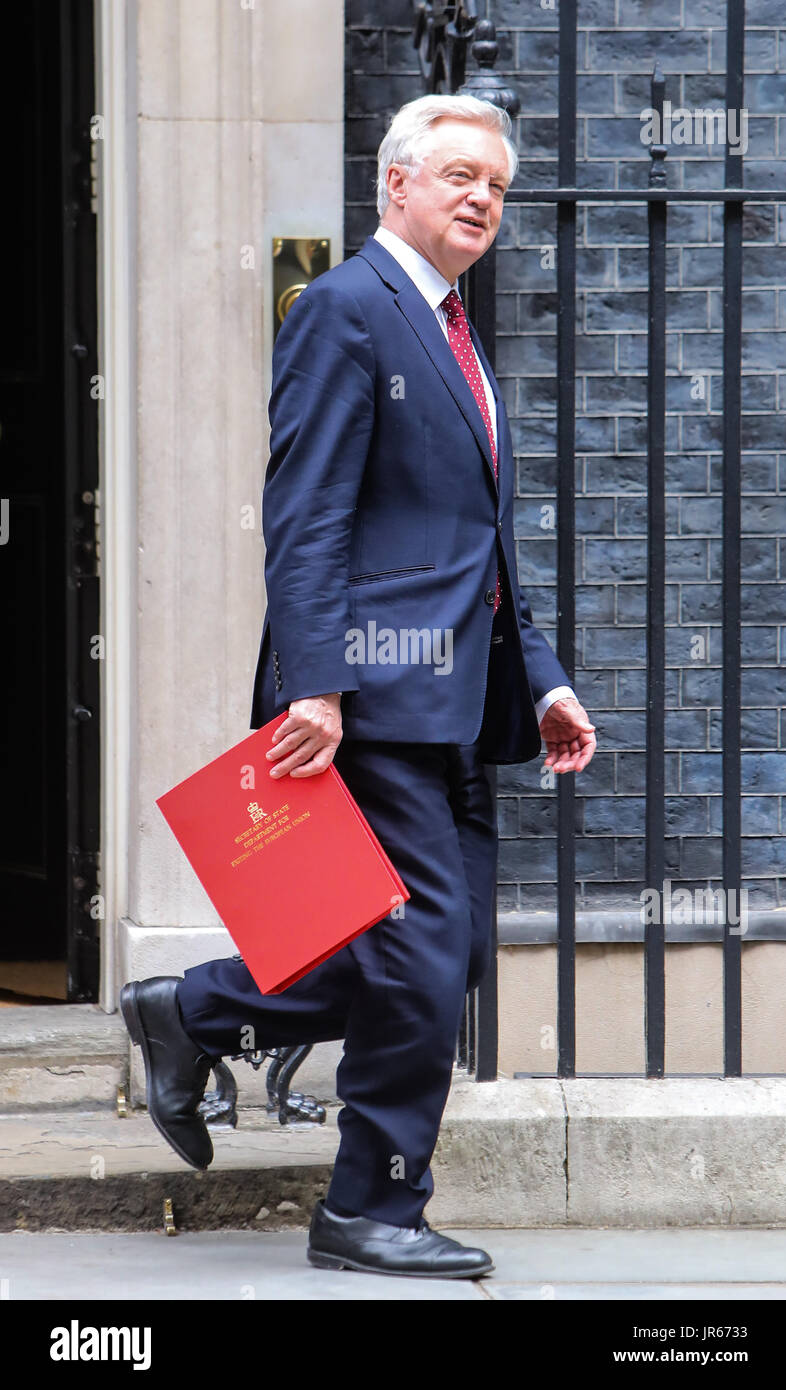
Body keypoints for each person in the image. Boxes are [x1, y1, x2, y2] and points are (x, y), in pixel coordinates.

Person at [120, 93, 596, 1281]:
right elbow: (306, 513)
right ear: (395, 186)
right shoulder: (345, 309)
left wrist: (539, 678)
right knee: (422, 957)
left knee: (448, 955)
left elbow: (475, 538)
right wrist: (317, 688)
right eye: (458, 177)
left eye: (496, 182)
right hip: (372, 702)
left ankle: (195, 1013)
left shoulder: (452, 332)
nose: (482, 196)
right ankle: (371, 1204)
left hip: (461, 700)